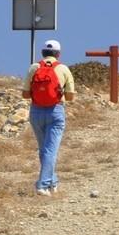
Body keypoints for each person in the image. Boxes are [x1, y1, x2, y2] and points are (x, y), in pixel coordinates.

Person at [23, 39, 76, 195]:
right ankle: (43, 185)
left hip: (36, 112)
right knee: (50, 150)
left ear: (42, 53)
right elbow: (70, 96)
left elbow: (25, 94)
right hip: (55, 112)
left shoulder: (34, 67)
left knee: (44, 150)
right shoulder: (63, 69)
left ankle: (53, 182)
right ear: (58, 54)